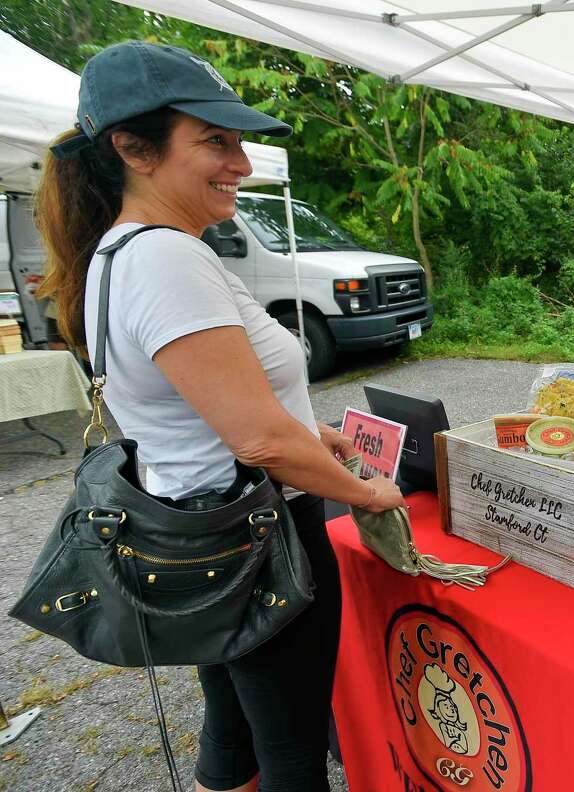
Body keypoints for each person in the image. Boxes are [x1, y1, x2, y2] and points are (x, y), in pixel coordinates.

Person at [37, 41, 406, 792]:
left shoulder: (122, 252)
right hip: (256, 537)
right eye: (215, 141)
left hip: (198, 532)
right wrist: (369, 494)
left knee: (235, 731)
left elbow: (208, 407)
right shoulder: (166, 259)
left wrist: (315, 434)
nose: (239, 162)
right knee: (293, 752)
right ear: (134, 149)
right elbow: (257, 437)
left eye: (238, 142)